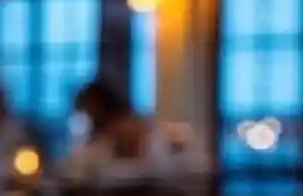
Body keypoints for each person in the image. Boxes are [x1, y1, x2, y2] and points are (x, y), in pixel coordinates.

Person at [67, 78, 206, 188]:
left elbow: (200, 169)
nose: (122, 134)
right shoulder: (99, 149)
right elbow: (77, 174)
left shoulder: (174, 139)